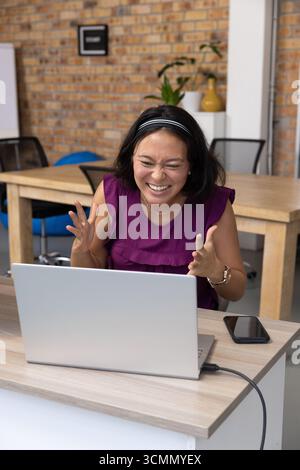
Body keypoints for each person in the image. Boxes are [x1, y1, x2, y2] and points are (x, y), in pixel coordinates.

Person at [66, 105, 246, 309]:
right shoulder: (113, 192)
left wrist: (215, 270)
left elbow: (237, 291)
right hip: (120, 317)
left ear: (191, 166)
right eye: (146, 162)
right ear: (131, 159)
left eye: (173, 165)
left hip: (190, 323)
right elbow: (89, 278)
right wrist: (80, 251)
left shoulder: (214, 203)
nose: (158, 175)